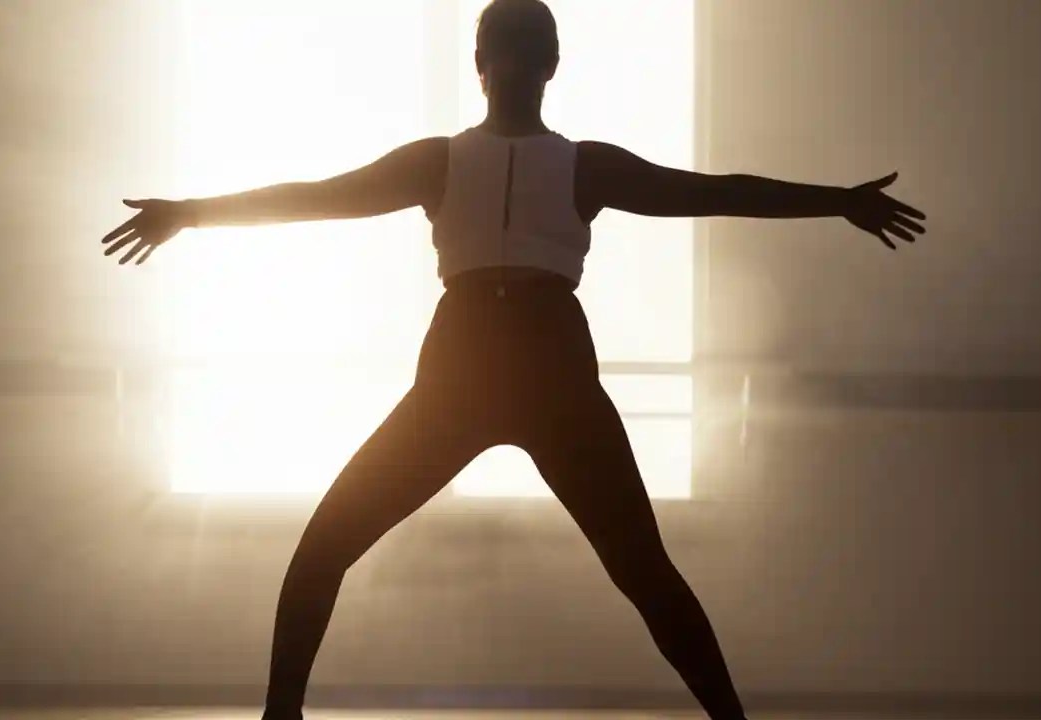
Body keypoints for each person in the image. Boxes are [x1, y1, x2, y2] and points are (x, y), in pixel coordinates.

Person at [100, 1, 926, 717]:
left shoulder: (577, 164)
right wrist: (191, 213)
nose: (515, 69)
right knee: (331, 547)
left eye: (523, 55)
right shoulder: (449, 160)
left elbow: (712, 189)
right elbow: (322, 197)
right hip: (472, 364)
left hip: (541, 366)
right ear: (492, 65)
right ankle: (280, 716)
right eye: (511, 55)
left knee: (640, 570)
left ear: (531, 65)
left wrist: (836, 203)